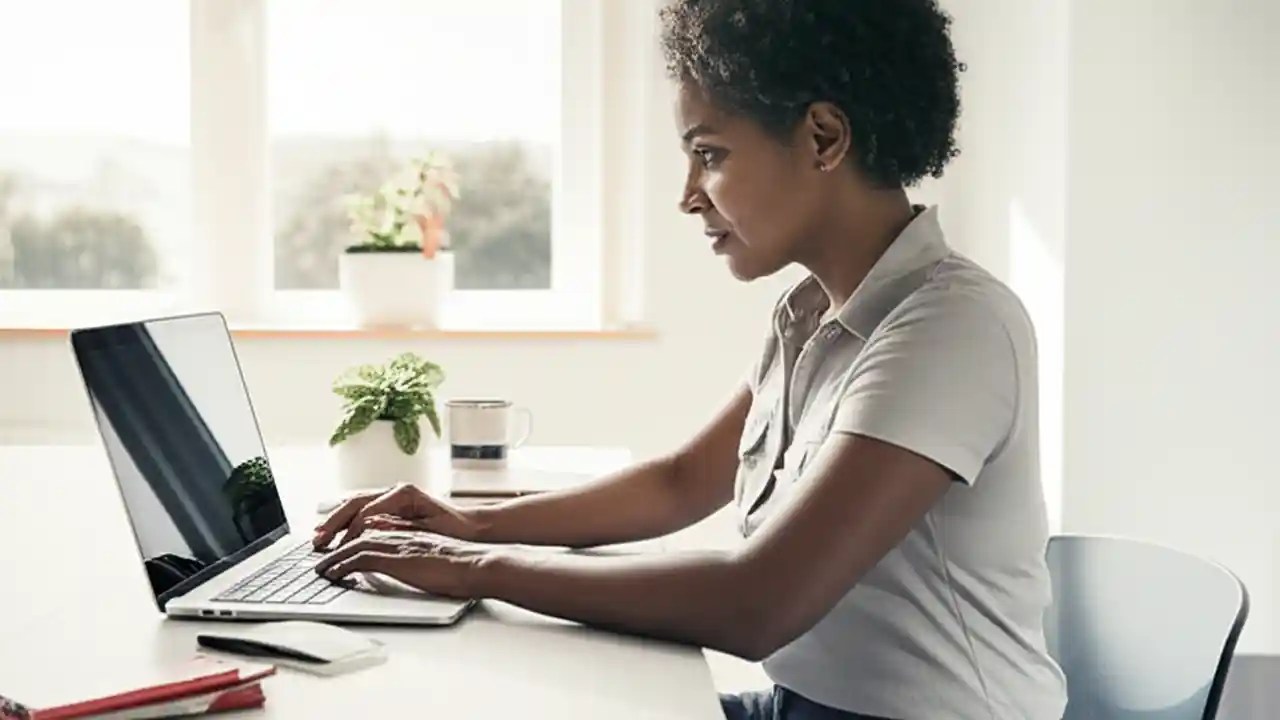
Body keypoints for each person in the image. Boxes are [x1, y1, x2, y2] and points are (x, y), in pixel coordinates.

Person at [312, 1, 1068, 717]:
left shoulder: (951, 328)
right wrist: (472, 527)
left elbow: (759, 601)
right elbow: (679, 484)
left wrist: (477, 569)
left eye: (709, 155)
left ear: (823, 138)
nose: (689, 195)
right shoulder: (808, 314)